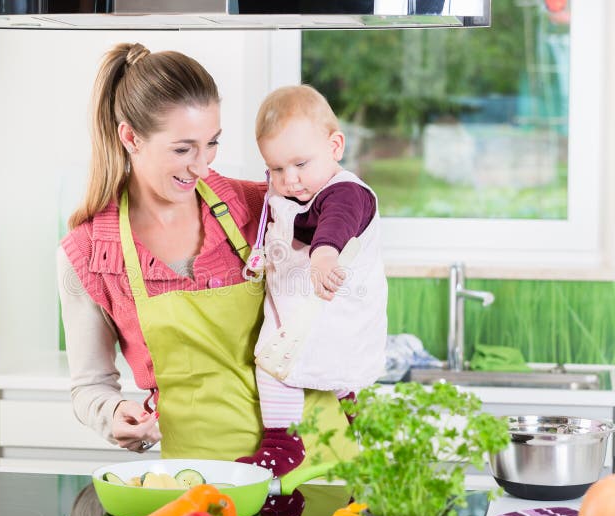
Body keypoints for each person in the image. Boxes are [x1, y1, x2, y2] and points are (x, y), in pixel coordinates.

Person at [57, 43, 354, 466]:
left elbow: (348, 200)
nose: (201, 166)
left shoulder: (259, 205)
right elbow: (90, 387)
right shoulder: (88, 252)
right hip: (207, 482)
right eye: (183, 149)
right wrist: (114, 415)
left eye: (211, 143)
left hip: (320, 458)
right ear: (130, 137)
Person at [236, 85, 387, 476]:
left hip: (335, 310)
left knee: (344, 379)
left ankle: (369, 450)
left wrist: (324, 254)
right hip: (296, 315)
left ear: (335, 146)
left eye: (301, 164)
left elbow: (336, 222)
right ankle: (284, 445)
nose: (290, 179)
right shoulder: (287, 194)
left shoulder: (347, 192)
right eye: (276, 168)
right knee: (275, 366)